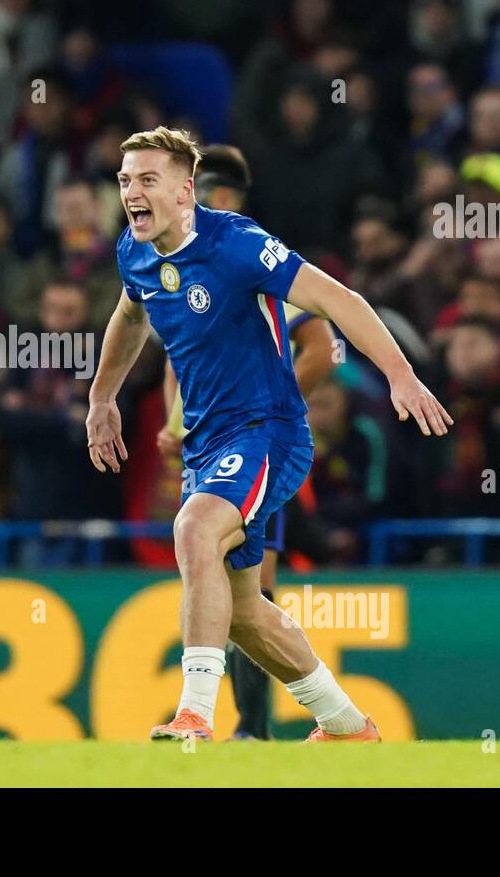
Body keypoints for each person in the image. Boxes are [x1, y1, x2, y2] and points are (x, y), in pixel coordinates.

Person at [86, 127, 451, 742]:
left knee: (195, 529)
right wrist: (102, 397)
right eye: (125, 181)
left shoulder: (239, 245)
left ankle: (195, 714)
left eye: (147, 180)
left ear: (185, 189)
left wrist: (401, 377)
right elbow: (129, 315)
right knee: (245, 612)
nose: (132, 193)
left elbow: (338, 299)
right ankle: (345, 724)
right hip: (207, 444)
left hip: (268, 431)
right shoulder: (135, 252)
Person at [157, 144, 335, 739]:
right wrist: (172, 423)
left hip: (257, 439)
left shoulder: (251, 256)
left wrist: (274, 396)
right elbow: (175, 356)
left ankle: (248, 725)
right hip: (211, 443)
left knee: (252, 587)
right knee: (236, 594)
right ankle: (334, 721)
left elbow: (323, 346)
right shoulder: (178, 261)